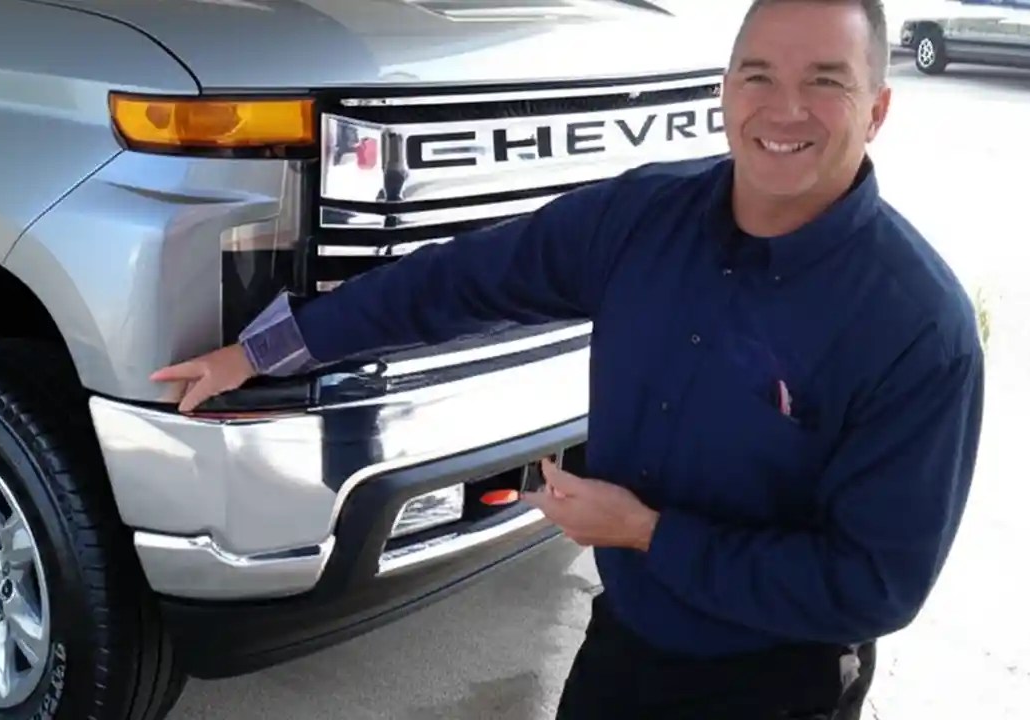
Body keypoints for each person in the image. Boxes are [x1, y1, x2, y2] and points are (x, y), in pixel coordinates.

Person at [151, 0, 985, 717]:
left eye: (826, 82)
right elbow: (457, 280)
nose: (783, 109)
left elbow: (872, 584)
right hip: (621, 650)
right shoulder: (641, 220)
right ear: (725, 90)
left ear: (876, 109)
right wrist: (261, 351)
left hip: (776, 684)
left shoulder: (917, 329)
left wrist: (646, 534)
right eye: (758, 75)